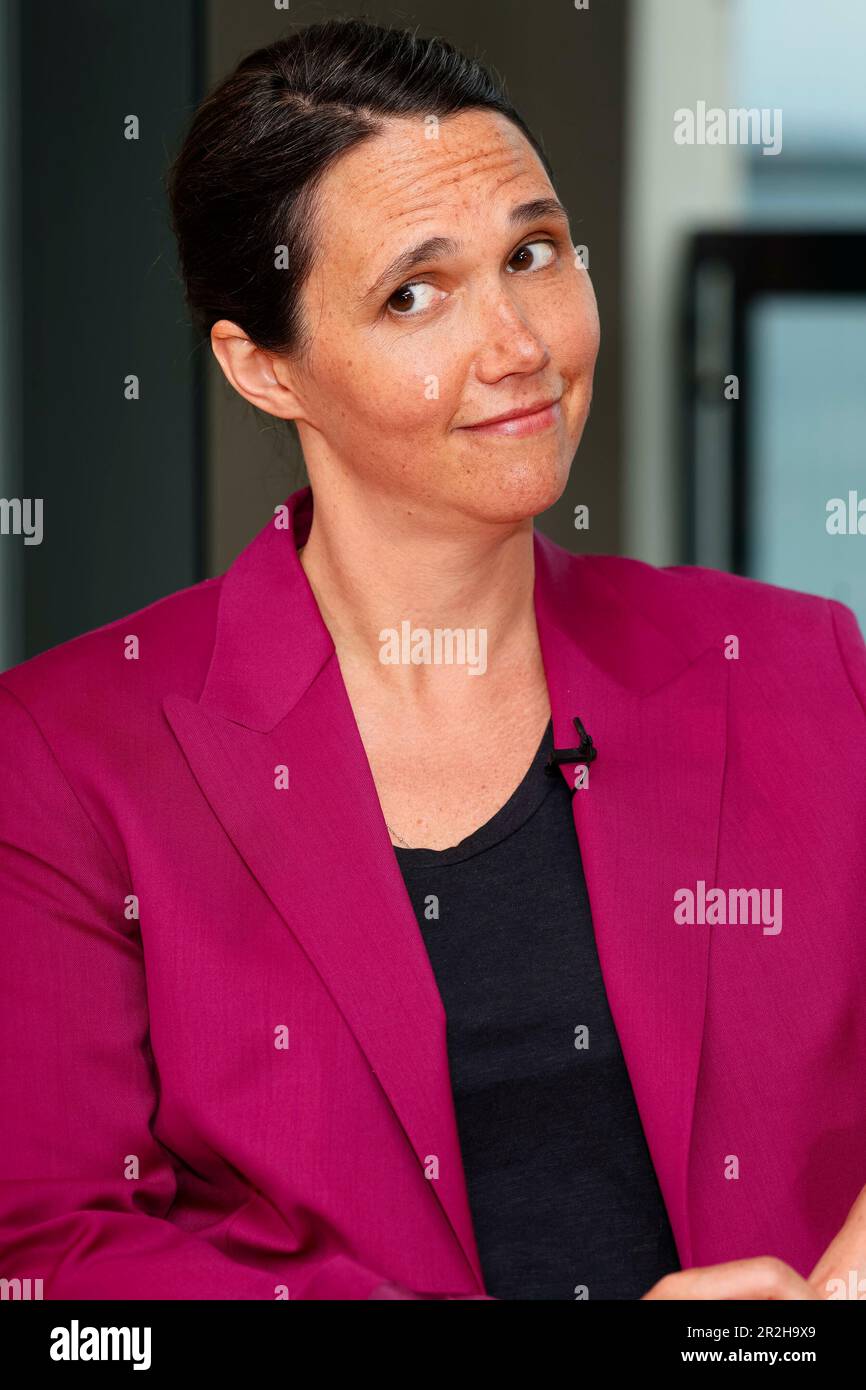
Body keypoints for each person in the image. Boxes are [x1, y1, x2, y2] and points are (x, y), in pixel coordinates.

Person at [1, 16, 865, 1302]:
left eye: (532, 252)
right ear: (262, 367)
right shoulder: (68, 749)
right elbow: (56, 1266)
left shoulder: (794, 661)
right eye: (415, 292)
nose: (516, 343)